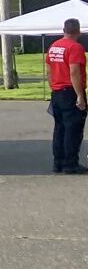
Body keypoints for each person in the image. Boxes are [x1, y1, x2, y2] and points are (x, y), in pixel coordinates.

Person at [46, 18, 87, 175]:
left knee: (60, 128)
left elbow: (49, 69)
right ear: (78, 31)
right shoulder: (75, 47)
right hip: (70, 91)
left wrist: (53, 87)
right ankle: (71, 163)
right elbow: (74, 72)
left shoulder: (54, 46)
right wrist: (80, 96)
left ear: (64, 30)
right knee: (73, 129)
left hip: (57, 91)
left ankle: (58, 162)